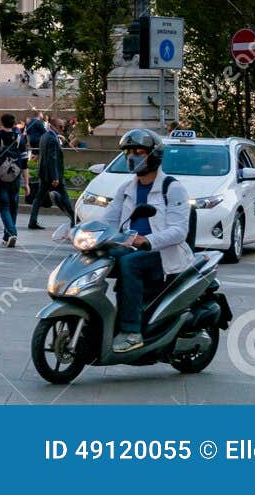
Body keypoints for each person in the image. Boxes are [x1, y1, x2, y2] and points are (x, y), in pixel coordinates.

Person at [57, 128, 192, 353]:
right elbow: (108, 220)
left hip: (162, 254)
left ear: (154, 155)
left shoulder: (172, 188)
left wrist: (146, 241)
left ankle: (131, 332)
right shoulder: (126, 188)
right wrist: (79, 231)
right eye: (128, 152)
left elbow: (179, 231)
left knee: (129, 263)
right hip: (131, 248)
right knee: (91, 258)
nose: (132, 157)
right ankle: (91, 314)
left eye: (139, 151)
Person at [0, 112, 25, 247]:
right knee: (13, 207)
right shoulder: (20, 139)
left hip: (0, 177)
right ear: (14, 124)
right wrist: (26, 182)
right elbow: (25, 163)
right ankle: (7, 236)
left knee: (4, 207)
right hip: (16, 177)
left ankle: (12, 233)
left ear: (1, 123)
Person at [28, 116, 74, 229]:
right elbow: (52, 158)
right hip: (52, 175)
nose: (62, 129)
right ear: (54, 126)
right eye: (60, 126)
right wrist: (55, 177)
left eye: (63, 126)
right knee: (64, 197)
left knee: (38, 198)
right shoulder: (52, 138)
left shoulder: (45, 136)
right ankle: (74, 219)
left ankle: (32, 221)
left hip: (44, 173)